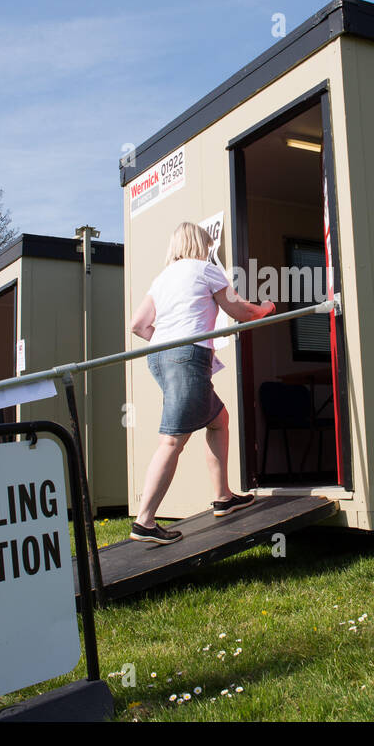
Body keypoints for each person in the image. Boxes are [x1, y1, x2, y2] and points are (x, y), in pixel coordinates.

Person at [128, 222, 275, 545]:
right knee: (172, 441)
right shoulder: (206, 270)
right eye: (208, 246)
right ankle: (145, 521)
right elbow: (240, 311)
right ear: (201, 245)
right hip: (187, 358)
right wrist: (265, 309)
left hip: (160, 357)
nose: (210, 251)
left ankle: (223, 496)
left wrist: (169, 345)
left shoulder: (163, 277)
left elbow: (139, 325)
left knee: (218, 420)